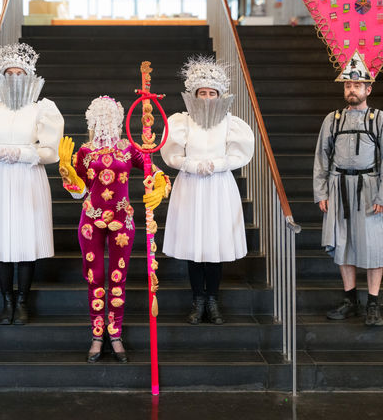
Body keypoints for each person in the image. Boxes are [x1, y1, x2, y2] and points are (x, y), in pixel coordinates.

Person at [58, 96, 170, 363]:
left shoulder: (128, 148)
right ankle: (98, 334)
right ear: (92, 120)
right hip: (91, 221)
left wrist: (160, 183)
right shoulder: (84, 151)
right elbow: (80, 190)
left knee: (118, 277)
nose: (105, 123)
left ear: (119, 120)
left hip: (123, 220)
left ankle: (115, 333)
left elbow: (152, 171)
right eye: (100, 117)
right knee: (95, 276)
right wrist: (69, 176)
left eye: (110, 117)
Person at [0, 43, 64, 325]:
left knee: (24, 239)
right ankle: (5, 300)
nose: (13, 78)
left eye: (19, 73)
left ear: (29, 77)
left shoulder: (41, 110)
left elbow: (51, 152)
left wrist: (23, 153)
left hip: (27, 178)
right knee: (1, 239)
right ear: (1, 77)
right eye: (8, 73)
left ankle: (22, 300)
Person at [161, 57, 254, 325]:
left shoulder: (229, 123)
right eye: (202, 93)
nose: (207, 98)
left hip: (218, 186)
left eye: (212, 93)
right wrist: (189, 163)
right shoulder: (182, 122)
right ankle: (197, 299)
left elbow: (239, 155)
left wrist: (217, 164)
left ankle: (212, 299)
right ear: (194, 95)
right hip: (190, 186)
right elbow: (171, 154)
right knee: (194, 244)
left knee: (214, 244)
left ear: (220, 95)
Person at [313, 54, 383, 327]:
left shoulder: (381, 120)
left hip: (370, 189)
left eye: (358, 85)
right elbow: (321, 158)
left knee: (374, 247)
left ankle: (373, 303)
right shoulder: (333, 119)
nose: (352, 90)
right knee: (344, 243)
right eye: (348, 86)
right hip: (339, 188)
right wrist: (322, 192)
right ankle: (351, 300)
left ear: (368, 89)